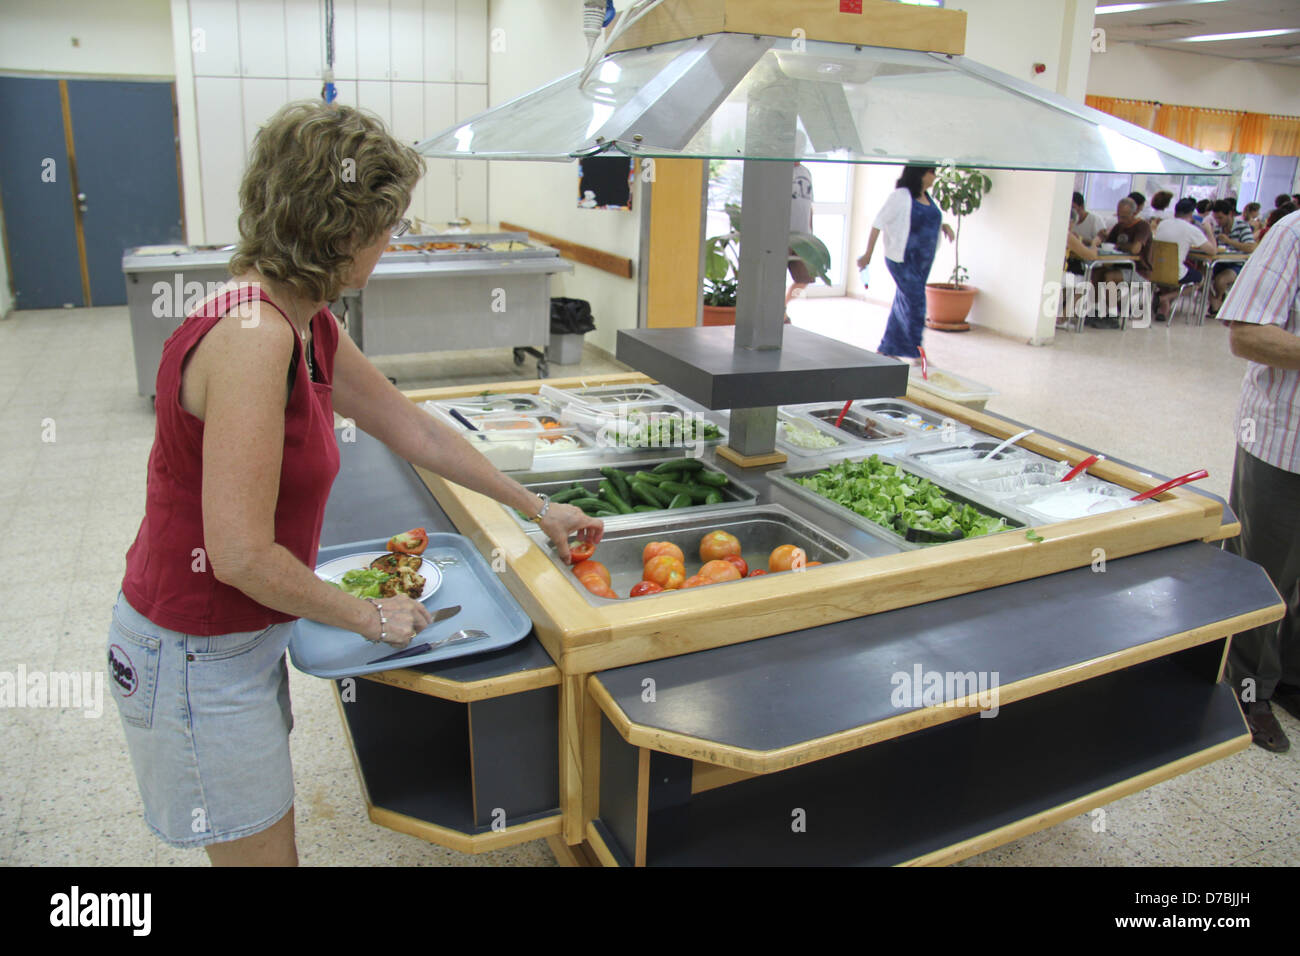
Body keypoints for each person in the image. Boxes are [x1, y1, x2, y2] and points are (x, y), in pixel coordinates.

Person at [108, 102, 603, 865]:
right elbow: (238, 555)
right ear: (342, 233)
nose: (392, 242)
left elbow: (417, 430)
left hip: (238, 639)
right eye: (388, 226)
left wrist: (539, 509)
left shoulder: (305, 320)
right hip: (194, 653)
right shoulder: (254, 341)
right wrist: (368, 616)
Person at [1220, 209, 1300, 752]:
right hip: (1284, 443)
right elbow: (1247, 333)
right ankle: (1245, 689)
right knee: (1265, 573)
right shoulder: (1293, 234)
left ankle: (1288, 678)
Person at [858, 165, 954, 360]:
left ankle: (887, 349)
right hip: (902, 260)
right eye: (932, 172)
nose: (934, 176)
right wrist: (868, 253)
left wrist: (943, 226)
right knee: (916, 303)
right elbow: (879, 223)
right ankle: (917, 353)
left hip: (922, 263)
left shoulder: (926, 196)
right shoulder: (901, 196)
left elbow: (924, 219)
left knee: (903, 301)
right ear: (920, 173)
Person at [1153, 197, 1215, 319]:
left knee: (1168, 277)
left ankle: (1163, 308)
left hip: (1156, 270)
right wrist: (1209, 231)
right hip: (1176, 273)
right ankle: (1165, 298)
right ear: (1191, 214)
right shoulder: (1191, 229)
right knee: (1200, 279)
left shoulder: (1163, 224)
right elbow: (1212, 251)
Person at [1209, 199, 1259, 313]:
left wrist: (1229, 241)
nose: (1218, 221)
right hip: (1219, 262)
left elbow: (1251, 247)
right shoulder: (1217, 228)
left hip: (1237, 264)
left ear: (1230, 214)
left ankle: (1219, 303)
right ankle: (1215, 302)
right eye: (1216, 218)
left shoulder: (1242, 227)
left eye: (1220, 218)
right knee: (1201, 278)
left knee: (1220, 280)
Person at [785, 156, 815, 316]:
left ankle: (782, 306)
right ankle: (778, 313)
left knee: (804, 279)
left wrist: (811, 233)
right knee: (773, 280)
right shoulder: (778, 170)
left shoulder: (806, 172)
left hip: (802, 237)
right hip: (780, 235)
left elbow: (809, 205)